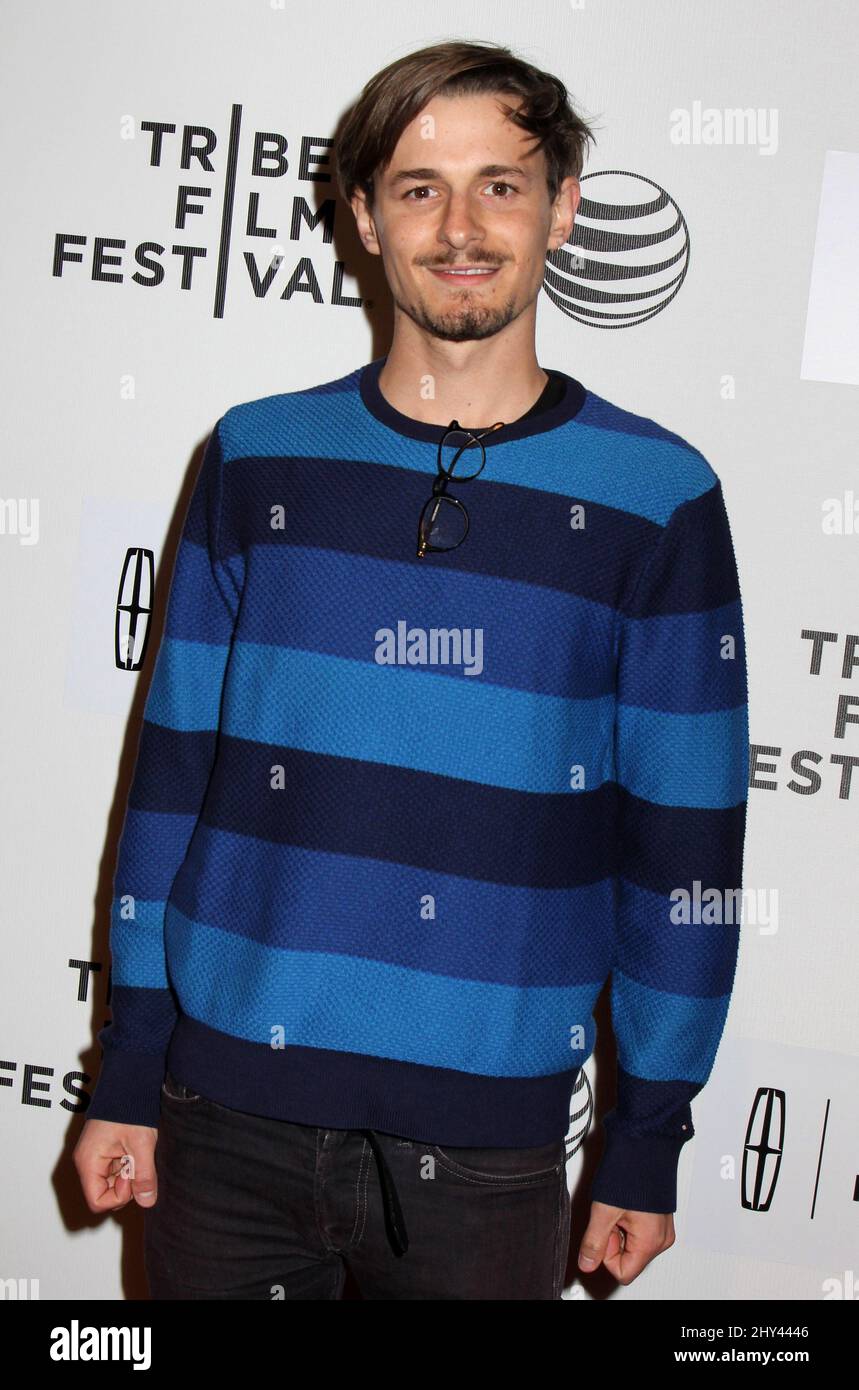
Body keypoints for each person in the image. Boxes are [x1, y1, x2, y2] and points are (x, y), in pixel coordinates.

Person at [74, 38, 749, 1300]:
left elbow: (685, 848)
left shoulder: (657, 498)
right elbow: (169, 781)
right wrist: (127, 1068)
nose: (460, 227)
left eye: (501, 183)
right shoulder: (258, 458)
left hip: (490, 1159)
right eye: (418, 186)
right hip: (220, 1120)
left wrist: (645, 1133)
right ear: (363, 216)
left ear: (563, 208)